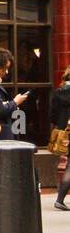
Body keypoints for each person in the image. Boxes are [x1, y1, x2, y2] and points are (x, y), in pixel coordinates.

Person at [51, 68, 70, 211]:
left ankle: (60, 199)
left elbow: (52, 115)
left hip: (65, 133)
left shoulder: (58, 92)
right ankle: (59, 199)